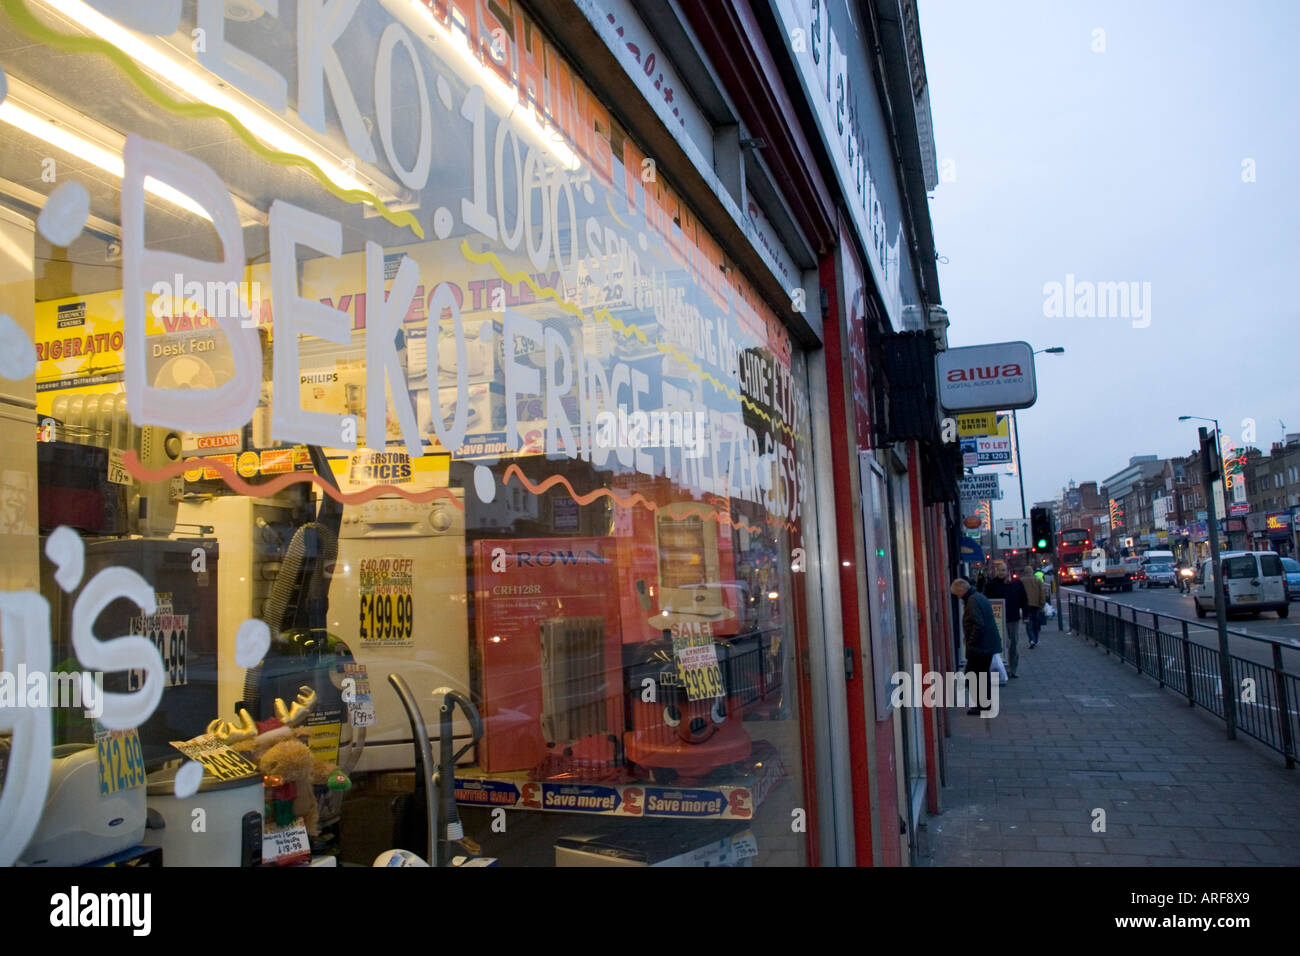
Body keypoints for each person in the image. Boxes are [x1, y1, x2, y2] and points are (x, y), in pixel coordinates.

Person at [952, 577, 1001, 714]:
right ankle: (984, 704)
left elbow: (978, 624)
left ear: (962, 591)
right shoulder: (978, 597)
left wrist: (971, 641)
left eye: (957, 594)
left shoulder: (972, 601)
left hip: (981, 646)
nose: (958, 597)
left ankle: (981, 705)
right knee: (982, 674)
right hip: (987, 643)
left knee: (974, 674)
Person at [982, 560, 1027, 677]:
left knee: (1014, 644)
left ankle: (1013, 669)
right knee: (1001, 644)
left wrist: (1026, 615)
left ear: (1007, 571)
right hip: (998, 619)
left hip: (1013, 618)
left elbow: (1023, 599)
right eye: (998, 570)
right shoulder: (991, 584)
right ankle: (1001, 668)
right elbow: (986, 600)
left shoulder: (1016, 583)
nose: (1000, 572)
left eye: (1003, 570)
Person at [1023, 568, 1047, 649]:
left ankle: (1031, 639)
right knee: (1035, 622)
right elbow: (1042, 593)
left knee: (1027, 623)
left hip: (1025, 606)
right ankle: (1035, 639)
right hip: (1036, 605)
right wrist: (1042, 604)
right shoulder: (1037, 581)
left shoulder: (1021, 581)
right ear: (1032, 572)